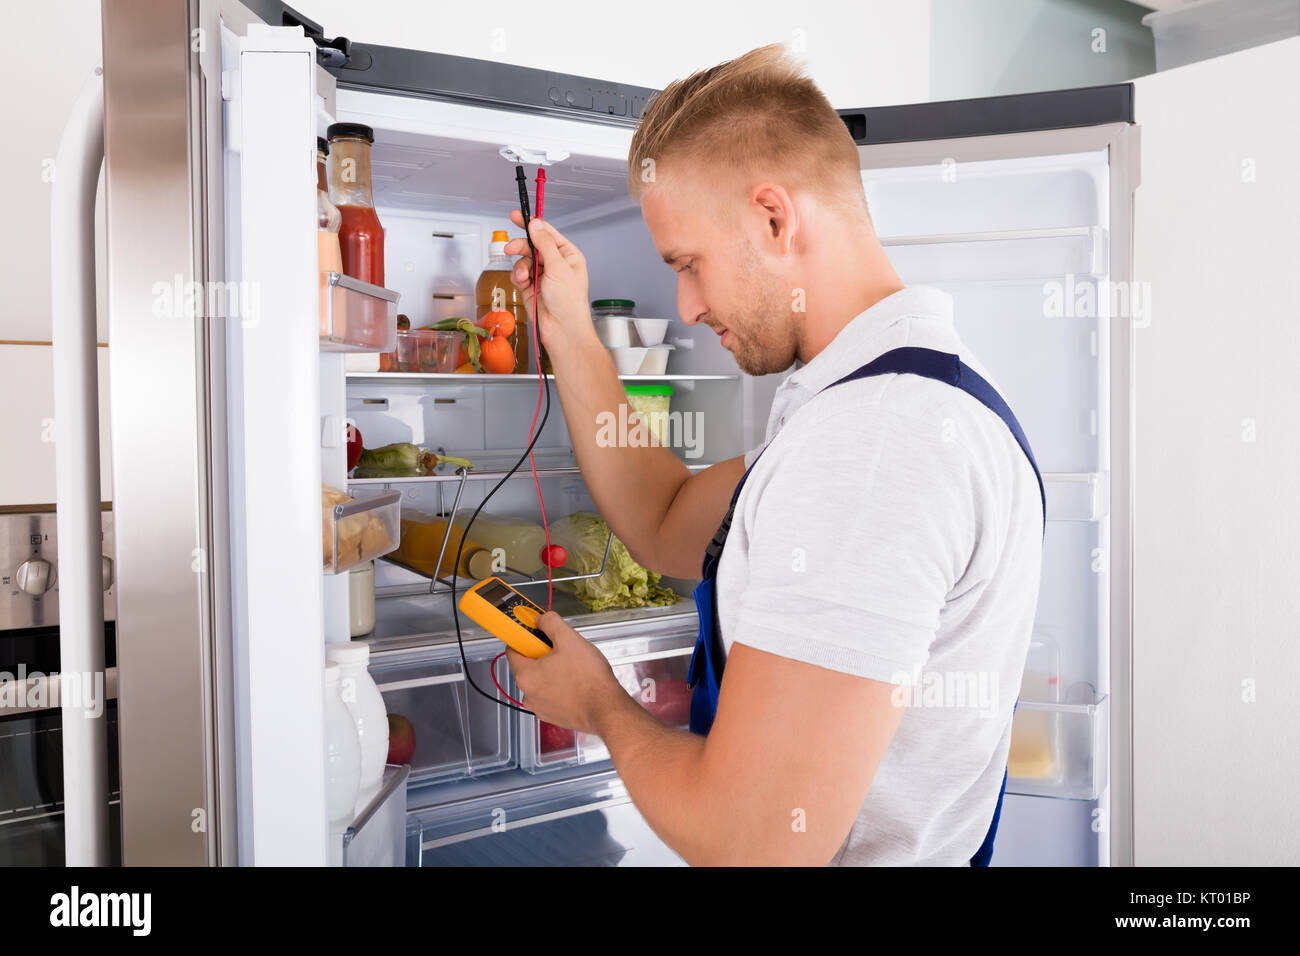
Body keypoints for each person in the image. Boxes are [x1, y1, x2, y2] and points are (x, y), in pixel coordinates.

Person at [501, 43, 1044, 866]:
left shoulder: (873, 443)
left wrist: (601, 706)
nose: (686, 305)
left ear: (772, 217)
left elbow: (753, 841)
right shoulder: (901, 398)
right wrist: (569, 329)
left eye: (689, 263)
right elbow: (667, 519)